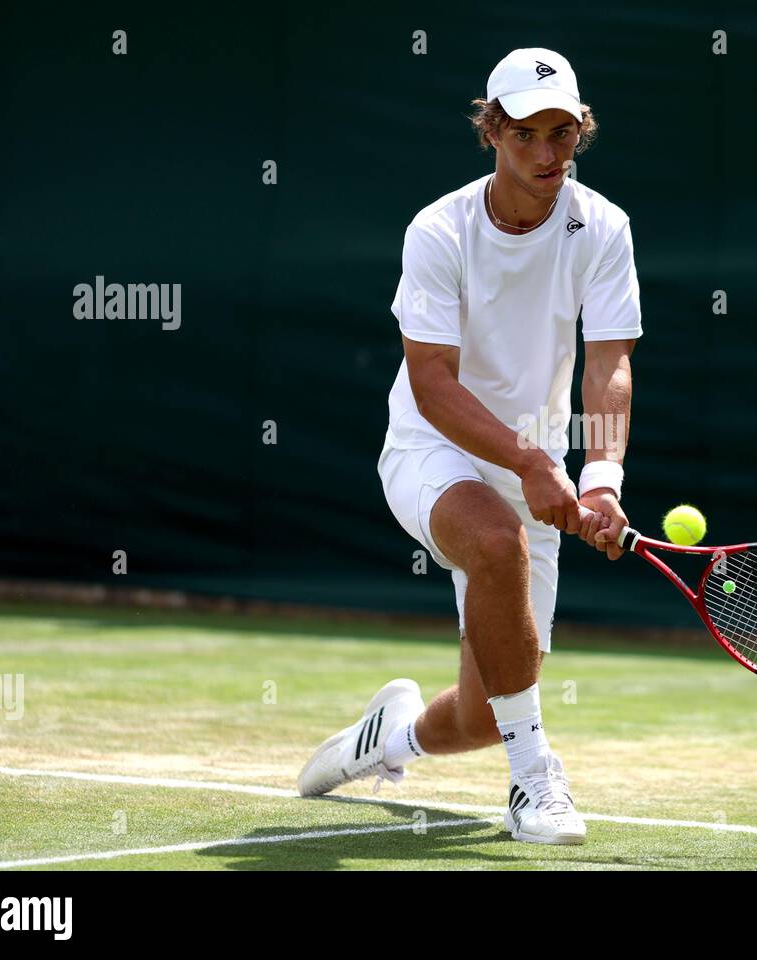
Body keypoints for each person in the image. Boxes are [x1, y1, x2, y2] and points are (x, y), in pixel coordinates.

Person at [298, 47, 641, 845]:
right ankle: (536, 784)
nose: (548, 154)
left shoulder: (604, 228)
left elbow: (608, 364)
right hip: (432, 447)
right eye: (526, 134)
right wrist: (529, 464)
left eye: (563, 133)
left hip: (540, 459)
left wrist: (603, 477)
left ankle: (387, 737)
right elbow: (432, 384)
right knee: (496, 539)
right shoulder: (439, 230)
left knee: (486, 713)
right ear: (491, 132)